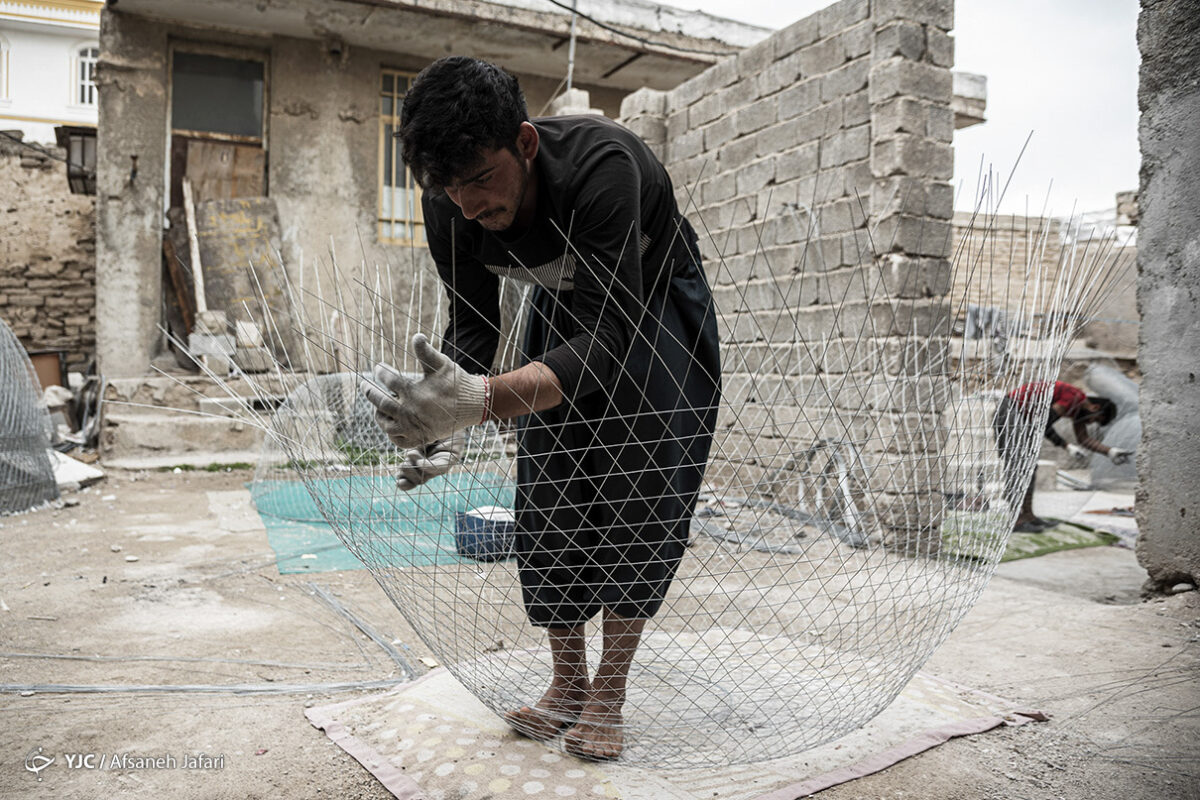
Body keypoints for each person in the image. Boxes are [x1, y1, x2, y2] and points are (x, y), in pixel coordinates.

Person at [360, 56, 721, 761]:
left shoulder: (602, 165)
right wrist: (449, 414)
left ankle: (608, 693)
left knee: (637, 492)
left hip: (649, 312)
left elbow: (612, 339)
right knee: (550, 494)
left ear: (525, 144)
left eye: (480, 180)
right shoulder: (449, 201)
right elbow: (471, 326)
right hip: (562, 311)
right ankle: (566, 684)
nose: (466, 205)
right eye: (447, 187)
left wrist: (488, 398)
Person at [993, 380, 1129, 532]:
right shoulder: (1074, 397)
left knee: (1030, 468)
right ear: (1094, 408)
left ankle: (1028, 516)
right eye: (1095, 419)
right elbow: (1042, 424)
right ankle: (1016, 519)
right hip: (1011, 412)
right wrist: (1065, 444)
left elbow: (1083, 439)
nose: (1091, 423)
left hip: (1024, 418)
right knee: (1018, 467)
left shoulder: (1079, 407)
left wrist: (1110, 452)